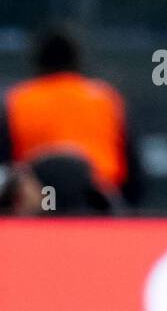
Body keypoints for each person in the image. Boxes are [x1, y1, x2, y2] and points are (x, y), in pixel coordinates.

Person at [0, 27, 144, 209]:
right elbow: (134, 177)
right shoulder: (106, 98)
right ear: (78, 61)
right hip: (97, 203)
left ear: (37, 62)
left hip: (42, 203)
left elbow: (5, 168)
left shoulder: (17, 101)